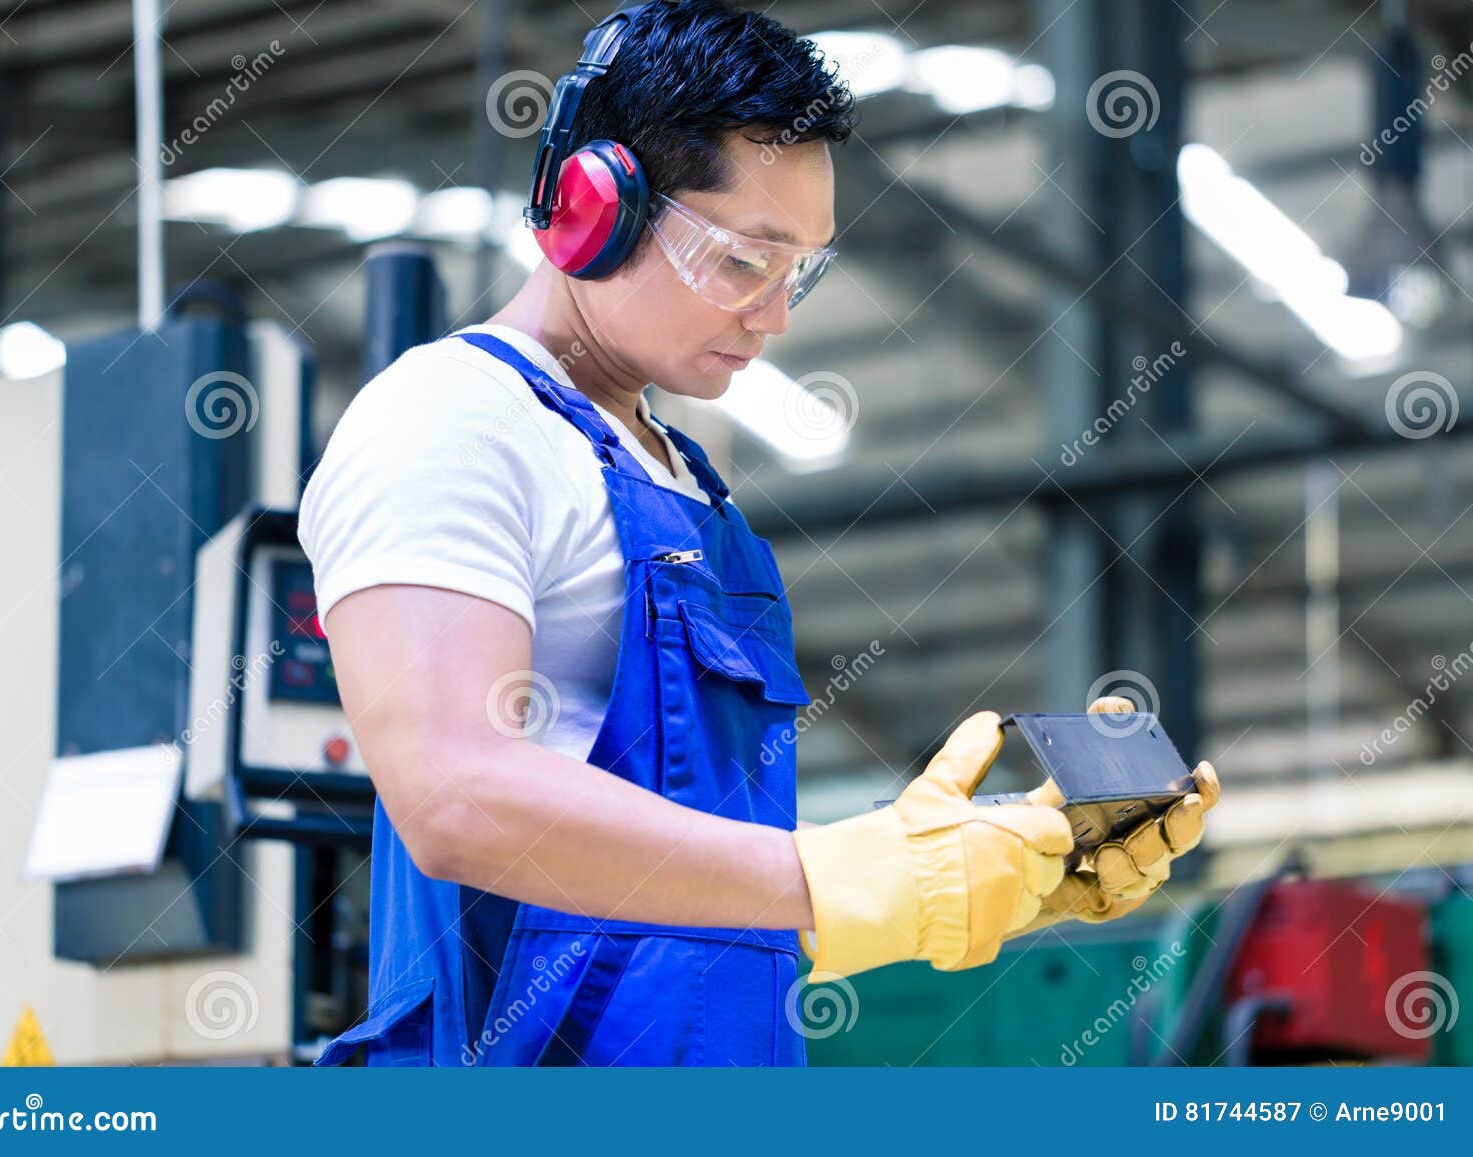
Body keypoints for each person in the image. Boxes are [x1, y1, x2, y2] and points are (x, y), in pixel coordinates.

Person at [298, 0, 1221, 1067]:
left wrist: (976, 866)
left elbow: (675, 913)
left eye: (800, 271)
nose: (775, 315)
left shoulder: (686, 481)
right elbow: (455, 791)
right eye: (746, 261)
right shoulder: (451, 418)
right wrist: (844, 877)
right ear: (595, 207)